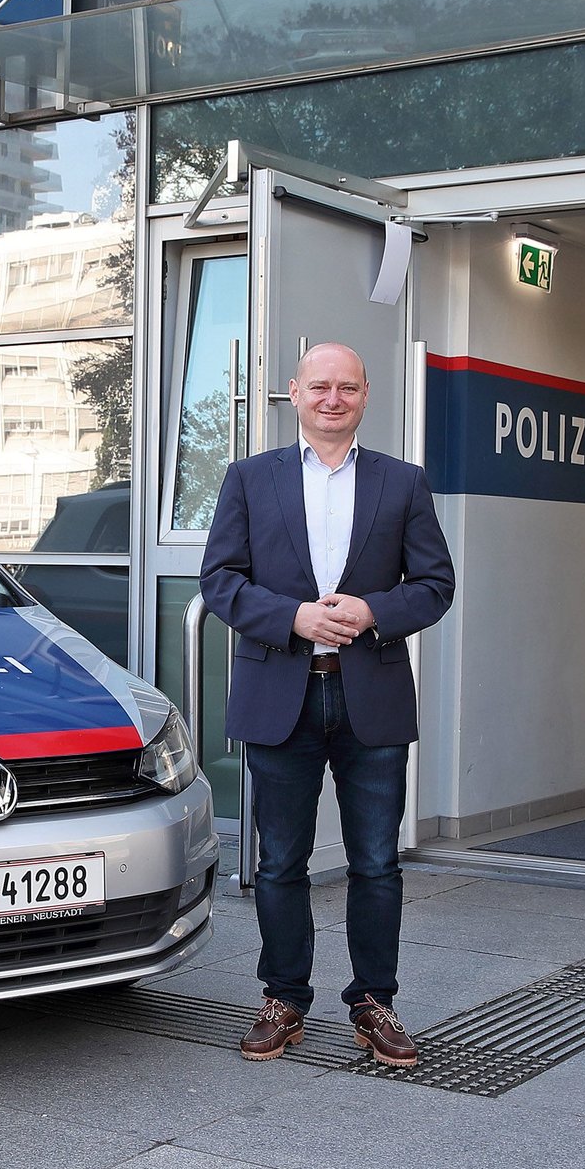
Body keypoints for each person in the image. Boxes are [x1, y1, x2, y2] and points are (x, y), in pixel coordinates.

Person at [199, 342, 455, 1067]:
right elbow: (220, 579)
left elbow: (435, 584)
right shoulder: (249, 479)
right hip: (280, 689)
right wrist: (293, 618)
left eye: (347, 387)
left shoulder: (402, 483)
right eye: (320, 386)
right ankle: (284, 999)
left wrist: (374, 610)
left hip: (369, 694)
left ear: (366, 395)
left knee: (377, 861)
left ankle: (374, 1002)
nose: (332, 398)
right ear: (295, 393)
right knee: (281, 861)